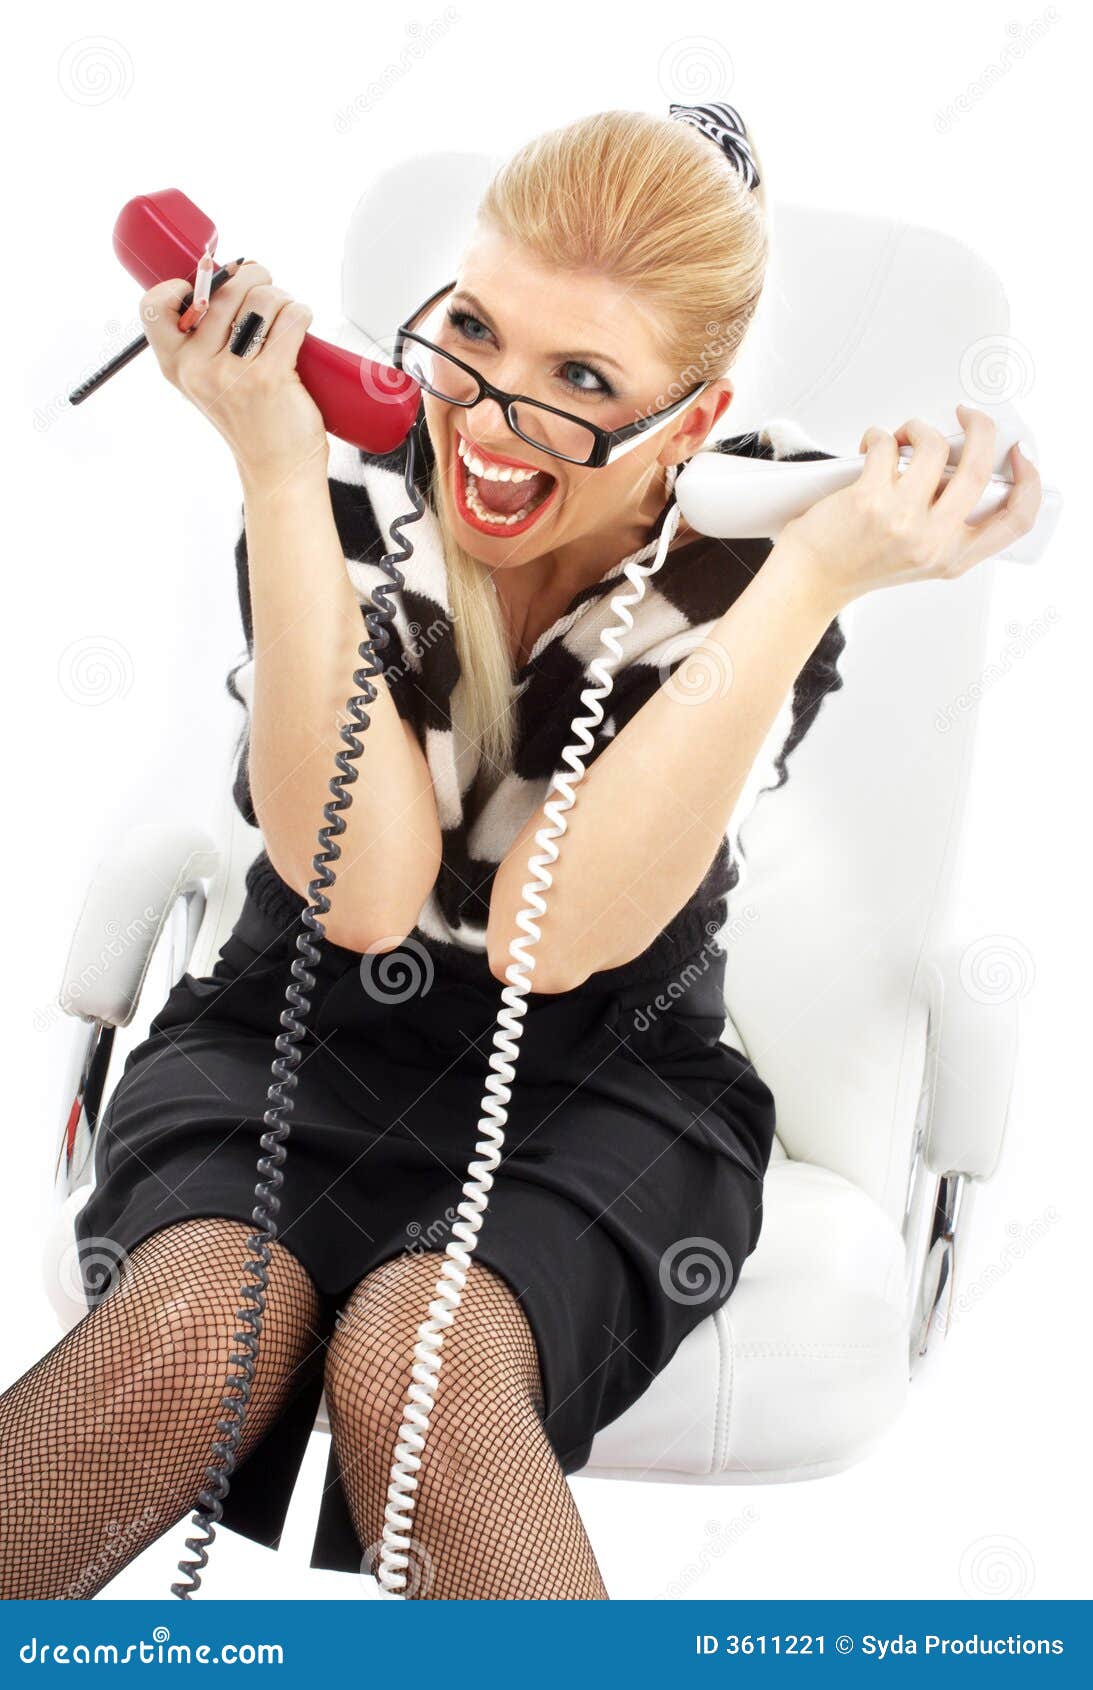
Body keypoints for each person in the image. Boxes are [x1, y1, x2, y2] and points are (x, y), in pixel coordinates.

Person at [0, 105, 1040, 1602]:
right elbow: (361, 896)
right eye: (472, 332)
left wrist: (809, 577)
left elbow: (553, 929)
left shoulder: (757, 560)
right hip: (288, 1035)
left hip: (604, 1083)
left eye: (580, 383)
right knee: (180, 1334)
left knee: (422, 1363)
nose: (490, 420)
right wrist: (283, 478)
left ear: (689, 422)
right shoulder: (340, 491)